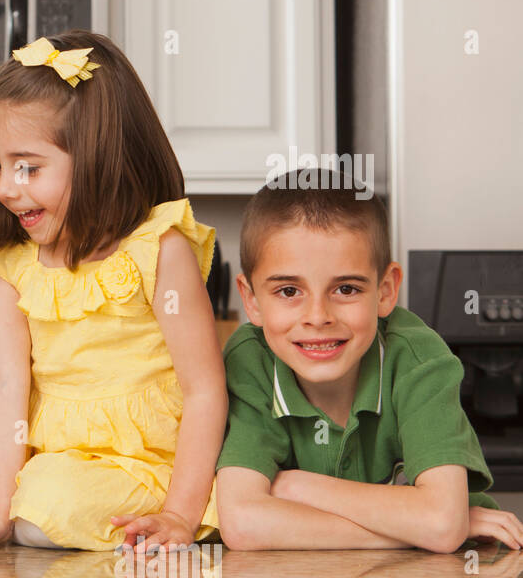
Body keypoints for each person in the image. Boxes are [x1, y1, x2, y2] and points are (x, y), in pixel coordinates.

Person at [0, 31, 226, 552]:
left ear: (99, 156)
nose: (6, 186)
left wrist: (179, 516)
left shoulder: (159, 251)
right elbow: (5, 384)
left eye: (27, 166)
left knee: (51, 505)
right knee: (2, 509)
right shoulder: (10, 265)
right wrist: (2, 507)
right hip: (51, 462)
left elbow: (205, 390)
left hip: (146, 467)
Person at [214, 169, 523, 551]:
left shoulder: (419, 360)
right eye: (289, 290)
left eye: (345, 288)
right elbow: (244, 525)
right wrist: (416, 529)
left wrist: (297, 486)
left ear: (386, 290)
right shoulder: (250, 361)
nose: (317, 316)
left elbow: (441, 524)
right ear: (251, 300)